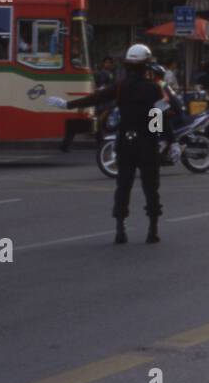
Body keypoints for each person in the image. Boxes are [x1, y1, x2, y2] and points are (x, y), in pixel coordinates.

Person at [46, 43, 167, 244]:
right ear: (146, 66)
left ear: (127, 66)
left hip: (125, 141)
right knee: (151, 187)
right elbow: (158, 118)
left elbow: (95, 99)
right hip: (147, 143)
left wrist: (67, 104)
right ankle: (152, 230)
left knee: (123, 186)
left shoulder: (120, 87)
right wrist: (161, 140)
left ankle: (120, 230)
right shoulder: (154, 89)